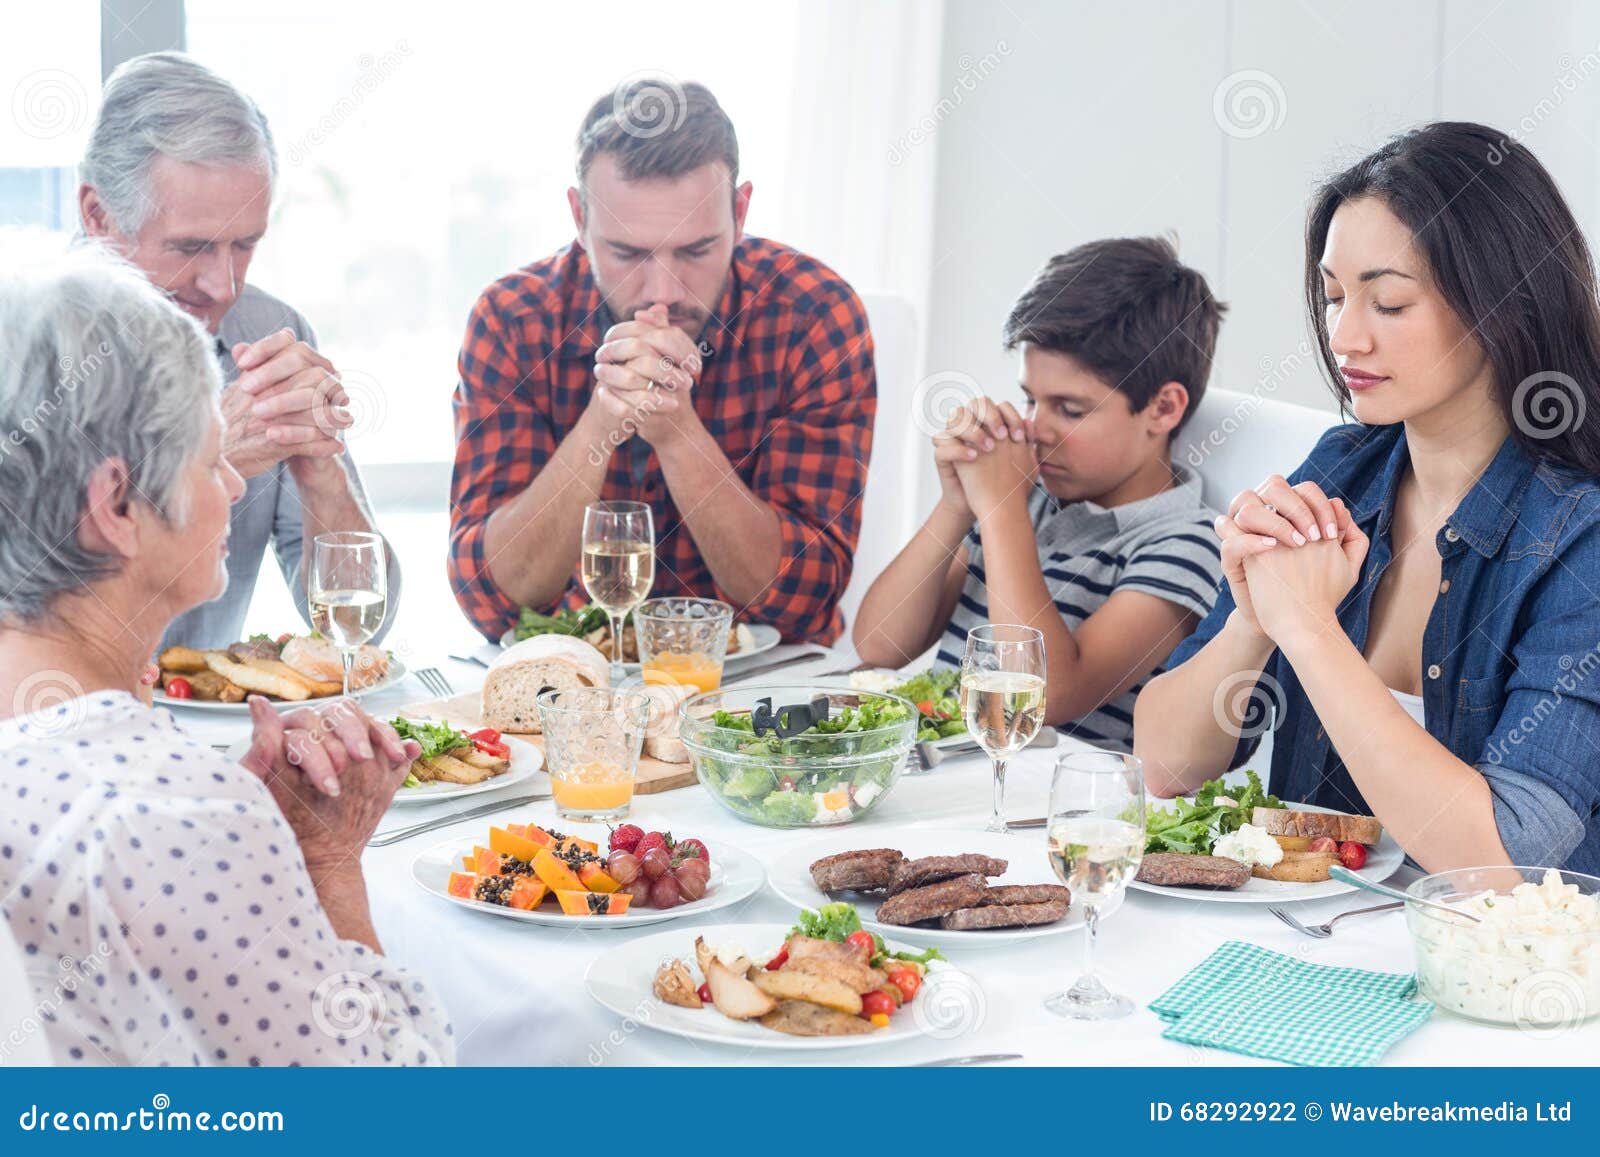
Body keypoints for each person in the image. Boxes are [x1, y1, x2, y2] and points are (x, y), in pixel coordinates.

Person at [0, 238, 451, 1066]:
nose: (237, 486)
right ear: (117, 505)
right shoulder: (184, 814)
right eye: (213, 461)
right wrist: (330, 865)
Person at [1136, 122, 1600, 875]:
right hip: (1312, 941)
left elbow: (1503, 860)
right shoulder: (1342, 471)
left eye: (1387, 302)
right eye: (1332, 296)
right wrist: (1253, 621)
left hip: (1505, 974)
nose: (1345, 336)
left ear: (1501, 303)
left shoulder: (1580, 534)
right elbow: (1164, 764)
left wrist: (1309, 629)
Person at [449, 77, 876, 645]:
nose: (663, 292)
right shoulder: (513, 319)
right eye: (627, 253)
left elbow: (799, 602)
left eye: (696, 250)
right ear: (579, 218)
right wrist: (604, 418)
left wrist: (678, 436)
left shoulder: (816, 315)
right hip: (579, 684)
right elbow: (493, 599)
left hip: (763, 696)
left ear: (740, 211)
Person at [77, 51, 399, 651]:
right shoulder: (20, 345)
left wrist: (317, 463)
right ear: (98, 216)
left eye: (245, 245)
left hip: (209, 739)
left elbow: (363, 631)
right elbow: (36, 613)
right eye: (190, 247)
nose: (223, 286)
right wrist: (209, 454)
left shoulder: (271, 328)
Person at [852, 238, 1225, 751]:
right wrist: (958, 503)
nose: (1034, 428)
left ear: (1163, 409)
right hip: (946, 783)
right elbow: (879, 645)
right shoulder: (1023, 495)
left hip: (1053, 808)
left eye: (1070, 410)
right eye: (1030, 399)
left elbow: (1044, 699)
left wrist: (1002, 510)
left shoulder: (1189, 545)